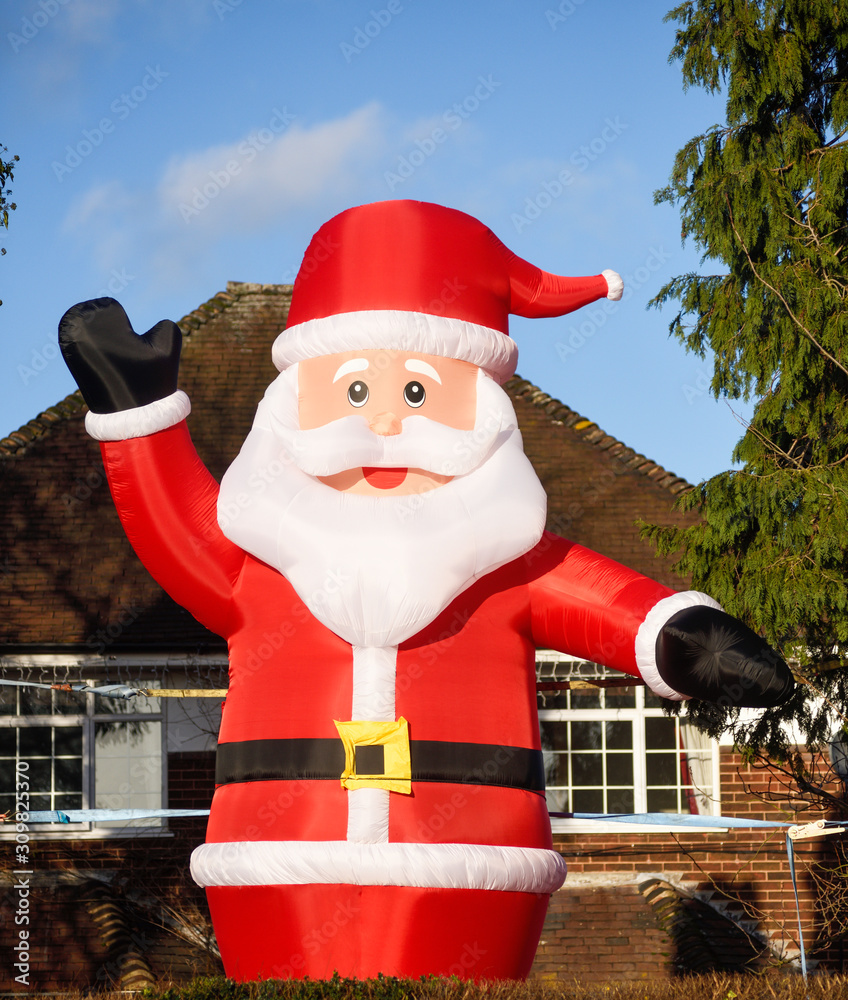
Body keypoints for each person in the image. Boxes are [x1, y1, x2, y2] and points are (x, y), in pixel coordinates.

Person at [59, 200, 793, 980]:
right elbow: (180, 531)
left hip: (470, 860)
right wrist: (137, 417)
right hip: (278, 857)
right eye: (350, 393)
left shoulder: (509, 561)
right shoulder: (260, 556)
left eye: (416, 394)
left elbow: (605, 604)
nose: (381, 425)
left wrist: (686, 641)